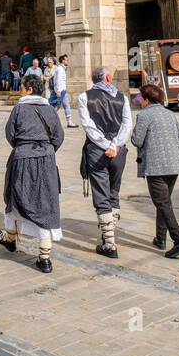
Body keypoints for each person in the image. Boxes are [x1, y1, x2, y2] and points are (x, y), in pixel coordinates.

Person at [0, 76, 65, 273]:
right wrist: (45, 151)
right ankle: (44, 257)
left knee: (17, 196)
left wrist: (25, 148)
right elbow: (58, 137)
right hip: (47, 159)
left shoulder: (19, 109)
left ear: (29, 89)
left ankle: (10, 238)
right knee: (46, 202)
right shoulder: (50, 109)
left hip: (23, 157)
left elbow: (11, 134)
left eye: (22, 88)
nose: (20, 91)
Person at [130, 83, 179, 258]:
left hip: (155, 167)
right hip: (173, 165)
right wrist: (172, 150)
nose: (138, 100)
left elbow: (136, 140)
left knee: (163, 203)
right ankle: (160, 238)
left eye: (140, 97)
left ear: (146, 99)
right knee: (163, 202)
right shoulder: (169, 114)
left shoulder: (144, 115)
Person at [78, 66, 132, 259]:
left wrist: (105, 144)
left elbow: (88, 125)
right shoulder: (122, 98)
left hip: (97, 151)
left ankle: (109, 243)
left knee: (101, 193)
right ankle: (108, 236)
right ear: (108, 78)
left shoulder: (84, 97)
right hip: (118, 151)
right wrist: (116, 144)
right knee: (113, 191)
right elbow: (127, 124)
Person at [51, 54, 75, 128]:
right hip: (61, 91)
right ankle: (50, 120)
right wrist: (58, 91)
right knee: (57, 106)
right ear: (63, 60)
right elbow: (58, 80)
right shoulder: (60, 69)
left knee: (62, 106)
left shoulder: (61, 68)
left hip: (62, 90)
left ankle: (69, 122)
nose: (67, 61)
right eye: (66, 60)